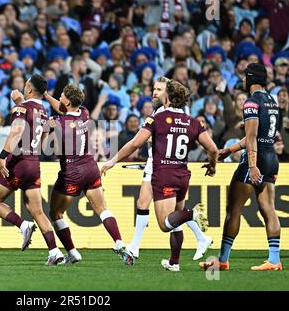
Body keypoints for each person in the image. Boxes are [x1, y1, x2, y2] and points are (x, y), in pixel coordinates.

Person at [102, 80, 218, 272]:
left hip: (163, 175)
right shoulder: (194, 121)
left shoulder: (157, 118)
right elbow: (213, 149)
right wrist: (212, 167)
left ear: (169, 98)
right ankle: (174, 262)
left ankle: (193, 214)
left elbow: (134, 144)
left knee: (165, 224)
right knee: (176, 221)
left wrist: (113, 160)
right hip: (183, 175)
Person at [200, 63, 282, 271]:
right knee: (268, 209)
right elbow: (258, 135)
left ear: (251, 78)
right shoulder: (272, 101)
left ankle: (223, 260)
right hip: (271, 157)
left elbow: (252, 137)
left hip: (255, 160)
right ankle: (274, 260)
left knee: (233, 209)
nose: (243, 81)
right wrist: (228, 151)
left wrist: (253, 166)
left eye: (245, 77)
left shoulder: (251, 103)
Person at [43, 84, 134, 265]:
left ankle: (73, 252)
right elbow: (62, 108)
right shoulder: (84, 113)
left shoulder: (59, 123)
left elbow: (45, 148)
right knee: (103, 210)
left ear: (68, 101)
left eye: (61, 94)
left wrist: (47, 127)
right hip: (90, 168)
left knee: (55, 213)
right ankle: (119, 242)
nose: (59, 96)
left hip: (72, 171)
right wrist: (46, 96)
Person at [0, 74, 65, 265]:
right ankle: (55, 252)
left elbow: (17, 131)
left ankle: (23, 225)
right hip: (34, 162)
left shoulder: (22, 107)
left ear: (29, 89)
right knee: (37, 211)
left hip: (18, 162)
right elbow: (44, 140)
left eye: (25, 84)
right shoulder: (44, 111)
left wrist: (3, 156)